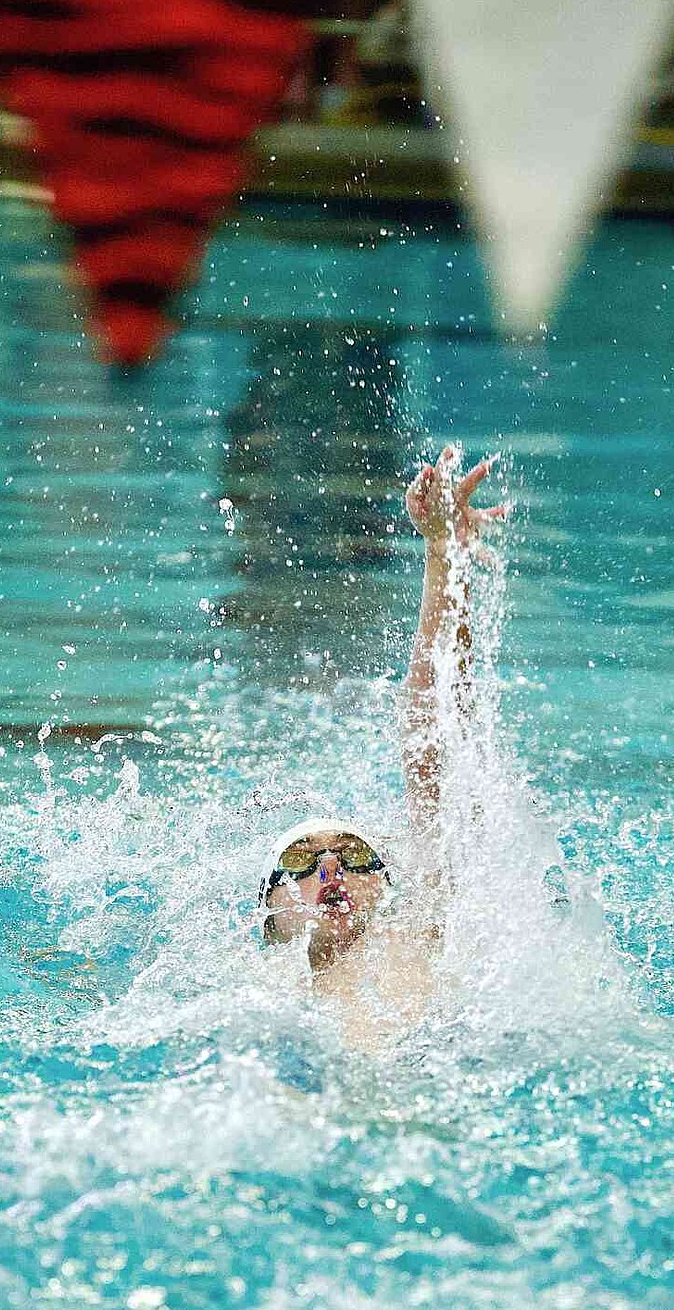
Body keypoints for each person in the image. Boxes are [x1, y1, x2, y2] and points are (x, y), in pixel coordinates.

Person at [258, 446, 506, 1050]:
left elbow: (434, 738)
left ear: (388, 889)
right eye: (299, 862)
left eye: (355, 856)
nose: (329, 869)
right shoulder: (232, 996)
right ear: (267, 913)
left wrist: (443, 555)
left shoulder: (421, 935)